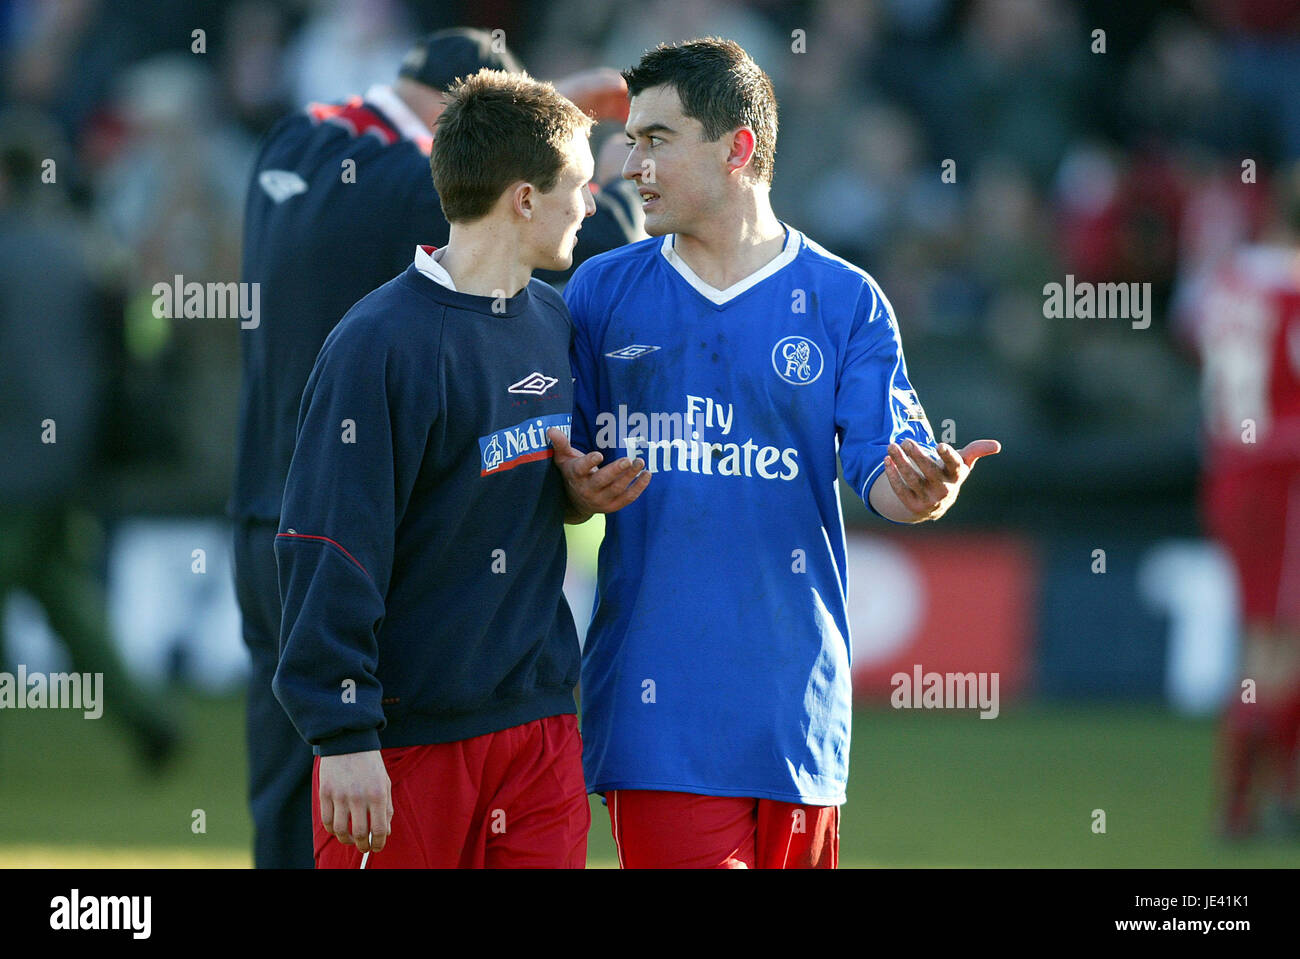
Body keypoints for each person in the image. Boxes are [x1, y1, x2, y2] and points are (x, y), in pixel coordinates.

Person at [548, 38, 1001, 868]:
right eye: (630, 140)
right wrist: (576, 487)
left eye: (655, 139)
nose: (630, 162)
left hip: (799, 710)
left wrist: (927, 492)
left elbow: (887, 477)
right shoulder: (601, 292)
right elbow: (569, 479)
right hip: (658, 710)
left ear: (737, 148)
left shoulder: (844, 299)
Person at [232, 27, 641, 868]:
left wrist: (572, 491)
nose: (592, 203)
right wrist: (345, 732)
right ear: (524, 196)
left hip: (532, 724)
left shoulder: (553, 322)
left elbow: (500, 473)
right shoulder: (377, 339)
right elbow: (333, 545)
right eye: (578, 184)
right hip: (403, 726)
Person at [1194, 163, 1300, 839]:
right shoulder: (1293, 290)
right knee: (1278, 645)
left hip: (1232, 467)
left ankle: (1277, 796)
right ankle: (1239, 805)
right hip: (1282, 474)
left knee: (1265, 637)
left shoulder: (1231, 279)